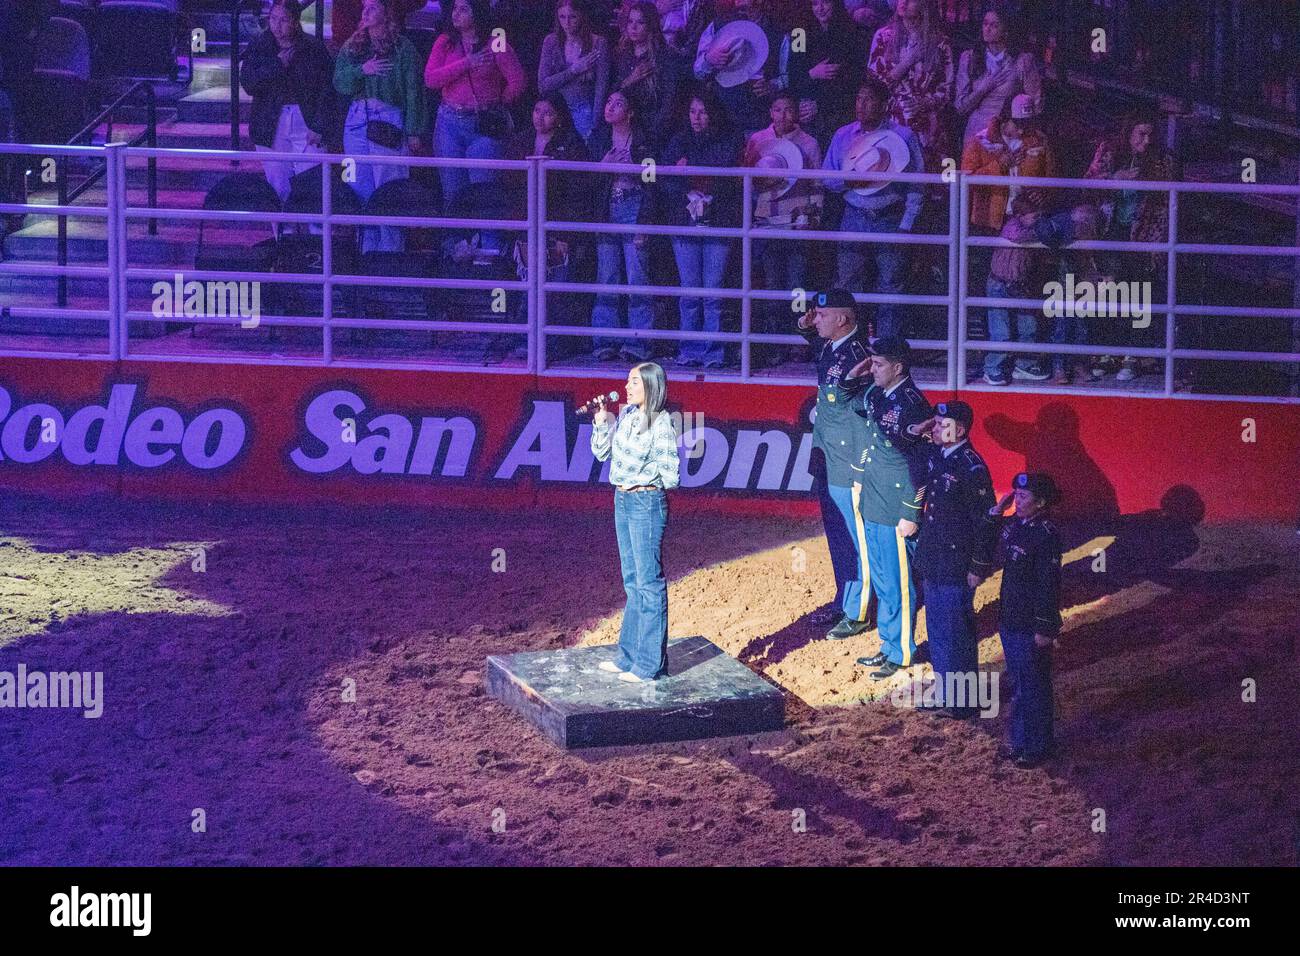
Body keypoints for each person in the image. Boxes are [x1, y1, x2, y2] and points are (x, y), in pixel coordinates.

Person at [843, 335, 932, 677]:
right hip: (875, 498)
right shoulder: (877, 394)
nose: (873, 369)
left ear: (899, 367)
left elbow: (921, 463)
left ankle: (902, 651)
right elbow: (850, 399)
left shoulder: (914, 405)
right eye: (872, 363)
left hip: (897, 505)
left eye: (879, 364)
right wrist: (860, 371)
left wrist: (912, 512)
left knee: (899, 582)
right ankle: (888, 645)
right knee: (882, 578)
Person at [590, 362, 681, 682]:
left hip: (645, 502)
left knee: (648, 582)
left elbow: (671, 475)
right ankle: (628, 656)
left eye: (634, 382)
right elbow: (602, 454)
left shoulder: (661, 423)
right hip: (623, 500)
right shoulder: (626, 415)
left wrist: (646, 479)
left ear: (651, 387)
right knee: (633, 581)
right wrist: (602, 423)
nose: (627, 387)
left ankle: (649, 664)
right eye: (628, 381)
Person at [795, 289, 875, 639]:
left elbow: (864, 412)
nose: (817, 319)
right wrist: (806, 327)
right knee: (837, 532)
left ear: (843, 319)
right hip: (829, 454)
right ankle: (845, 598)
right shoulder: (833, 347)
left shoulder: (860, 356)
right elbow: (815, 343)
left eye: (824, 315)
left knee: (855, 534)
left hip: (848, 460)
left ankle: (860, 609)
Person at [962, 93, 1055, 384]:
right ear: (1005, 119)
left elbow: (1054, 179)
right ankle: (988, 360)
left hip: (1025, 223)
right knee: (989, 291)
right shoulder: (979, 140)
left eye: (1029, 121)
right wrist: (999, 164)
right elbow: (964, 178)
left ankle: (1023, 360)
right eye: (1019, 122)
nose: (1025, 128)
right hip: (989, 224)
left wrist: (1045, 195)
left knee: (1024, 286)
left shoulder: (1039, 141)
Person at [822, 75, 924, 341]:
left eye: (869, 99)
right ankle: (849, 348)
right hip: (853, 215)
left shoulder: (904, 136)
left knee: (891, 288)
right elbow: (827, 178)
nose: (861, 104)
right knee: (847, 285)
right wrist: (851, 178)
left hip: (890, 217)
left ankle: (887, 352)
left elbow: (917, 184)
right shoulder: (843, 135)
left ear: (883, 104)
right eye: (859, 98)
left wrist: (906, 225)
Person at [905, 400, 994, 700]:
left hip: (957, 564)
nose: (938, 429)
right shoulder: (940, 455)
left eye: (944, 425)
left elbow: (986, 521)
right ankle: (946, 692)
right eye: (937, 424)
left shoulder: (971, 467)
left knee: (957, 635)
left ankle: (964, 700)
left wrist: (979, 565)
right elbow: (910, 450)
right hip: (935, 559)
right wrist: (923, 429)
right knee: (940, 633)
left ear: (961, 429)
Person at [974, 471, 1063, 768]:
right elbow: (988, 542)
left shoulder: (1046, 535)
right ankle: (1021, 741)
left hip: (1028, 623)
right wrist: (994, 514)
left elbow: (1048, 584)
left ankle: (1036, 746)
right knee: (1020, 683)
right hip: (1011, 618)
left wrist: (1044, 626)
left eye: (1023, 496)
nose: (1017, 500)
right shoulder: (1016, 527)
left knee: (1032, 685)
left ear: (1040, 503)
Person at [1084, 114, 1173, 383]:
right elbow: (1086, 183)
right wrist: (1114, 179)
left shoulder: (1162, 160)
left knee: (1138, 298)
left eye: (1150, 135)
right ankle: (1104, 354)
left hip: (1143, 238)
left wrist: (1157, 245)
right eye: (1141, 134)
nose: (1146, 141)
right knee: (1105, 297)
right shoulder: (1109, 150)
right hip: (1110, 233)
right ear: (1129, 133)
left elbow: (1166, 202)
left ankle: (1131, 357)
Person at [334, 0, 428, 253]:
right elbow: (339, 82)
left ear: (386, 13)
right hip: (356, 121)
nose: (366, 10)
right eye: (364, 7)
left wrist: (413, 131)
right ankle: (367, 254)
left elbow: (413, 91)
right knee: (360, 188)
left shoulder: (402, 49)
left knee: (388, 188)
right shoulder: (354, 46)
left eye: (373, 7)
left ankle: (390, 255)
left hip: (387, 120)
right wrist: (362, 70)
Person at [660, 90, 743, 368]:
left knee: (714, 290)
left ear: (713, 114)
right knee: (689, 290)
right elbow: (665, 180)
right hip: (684, 222)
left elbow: (727, 174)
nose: (696, 117)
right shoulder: (678, 140)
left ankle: (714, 351)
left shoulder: (729, 139)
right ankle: (690, 348)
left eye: (703, 112)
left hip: (719, 222)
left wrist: (690, 169)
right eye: (693, 111)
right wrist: (687, 185)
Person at [743, 91, 822, 367]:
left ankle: (799, 343)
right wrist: (750, 216)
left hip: (797, 222)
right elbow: (747, 183)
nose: (783, 116)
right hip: (766, 221)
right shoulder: (757, 140)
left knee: (797, 287)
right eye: (778, 110)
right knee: (772, 287)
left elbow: (817, 186)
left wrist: (812, 215)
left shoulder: (809, 143)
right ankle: (775, 345)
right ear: (770, 112)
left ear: (797, 112)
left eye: (789, 110)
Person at [424, 0, 527, 207]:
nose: (456, 14)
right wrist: (466, 63)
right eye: (454, 8)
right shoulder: (445, 41)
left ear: (477, 13)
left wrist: (496, 102)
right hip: (448, 123)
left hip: (483, 125)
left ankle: (489, 239)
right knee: (452, 193)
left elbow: (518, 82)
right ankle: (456, 240)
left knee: (484, 192)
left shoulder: (495, 42)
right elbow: (430, 79)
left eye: (463, 9)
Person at [242, 0, 338, 204]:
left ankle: (316, 234)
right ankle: (283, 235)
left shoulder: (313, 47)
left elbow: (327, 90)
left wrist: (320, 125)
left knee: (313, 184)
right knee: (278, 185)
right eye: (273, 19)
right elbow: (249, 83)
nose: (277, 25)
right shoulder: (260, 45)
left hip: (306, 121)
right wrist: (277, 65)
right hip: (271, 121)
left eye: (284, 19)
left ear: (295, 21)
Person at [589, 90, 657, 362]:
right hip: (607, 211)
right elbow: (585, 183)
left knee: (637, 277)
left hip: (634, 208)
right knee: (607, 277)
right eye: (608, 102)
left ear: (630, 112)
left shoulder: (644, 141)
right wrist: (601, 167)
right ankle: (605, 339)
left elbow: (653, 183)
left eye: (618, 104)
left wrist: (645, 223)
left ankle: (639, 342)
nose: (610, 107)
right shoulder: (597, 140)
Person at [867, 0, 954, 173]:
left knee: (933, 181)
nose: (903, 3)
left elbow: (947, 89)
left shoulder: (940, 41)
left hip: (929, 123)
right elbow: (874, 84)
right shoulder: (883, 36)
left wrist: (926, 102)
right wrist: (908, 61)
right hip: (893, 121)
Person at [953, 1, 1042, 151]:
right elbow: (960, 107)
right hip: (976, 135)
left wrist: (1019, 129)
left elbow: (1036, 104)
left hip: (1008, 135)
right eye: (985, 23)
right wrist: (982, 89)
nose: (987, 29)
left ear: (1006, 31)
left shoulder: (1022, 61)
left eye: (994, 25)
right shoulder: (970, 58)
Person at [693, 0, 789, 136]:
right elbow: (698, 72)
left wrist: (772, 85)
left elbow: (788, 76)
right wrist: (708, 59)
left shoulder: (777, 34)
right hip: (721, 119)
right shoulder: (718, 26)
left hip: (759, 121)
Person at [786, 0, 870, 142]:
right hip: (806, 112)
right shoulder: (799, 33)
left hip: (839, 112)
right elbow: (793, 76)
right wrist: (812, 74)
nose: (820, 9)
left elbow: (854, 80)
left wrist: (820, 105)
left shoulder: (853, 32)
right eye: (814, 4)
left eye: (825, 3)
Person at [612, 1, 688, 149]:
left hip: (654, 133)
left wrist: (652, 136)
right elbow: (613, 95)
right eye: (630, 21)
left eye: (640, 22)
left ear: (651, 25)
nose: (633, 27)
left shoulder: (666, 57)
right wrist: (630, 80)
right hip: (625, 129)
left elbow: (669, 101)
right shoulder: (622, 55)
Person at [538, 0, 611, 142]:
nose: (567, 23)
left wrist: (595, 126)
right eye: (562, 17)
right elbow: (543, 86)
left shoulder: (598, 43)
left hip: (585, 110)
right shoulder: (551, 41)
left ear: (581, 16)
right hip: (556, 111)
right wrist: (573, 70)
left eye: (572, 17)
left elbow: (601, 89)